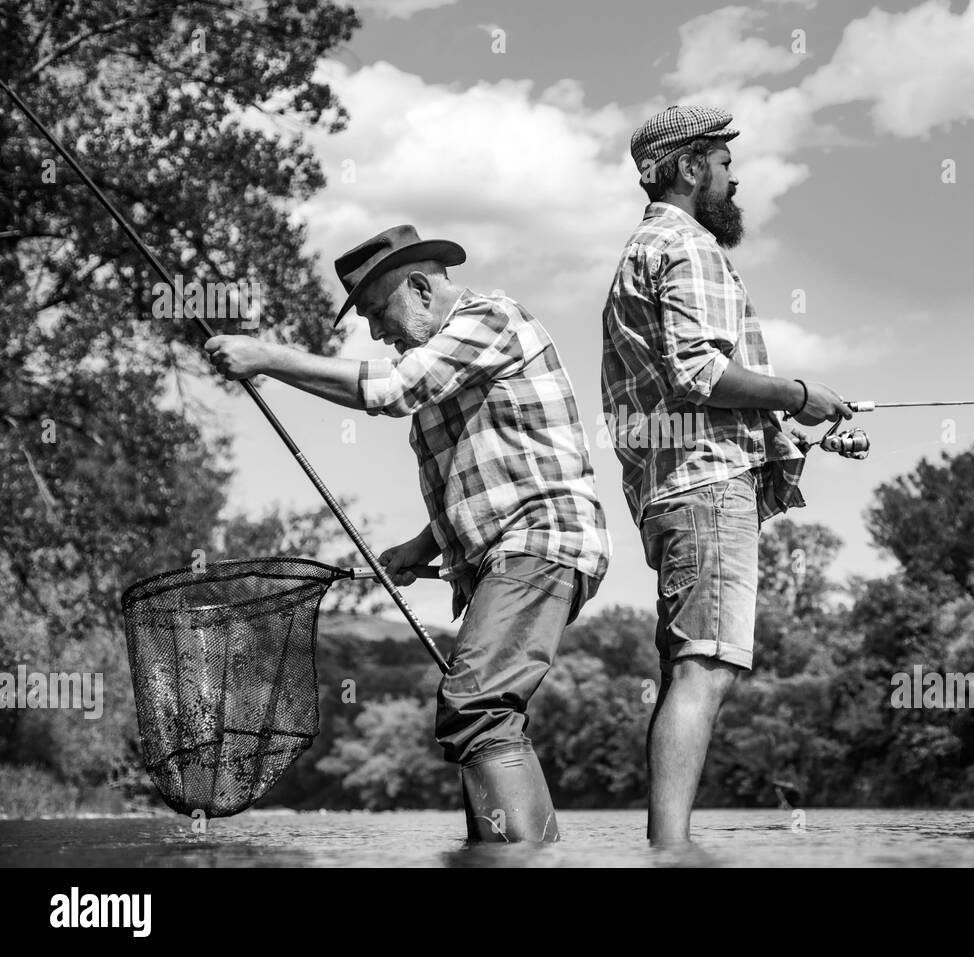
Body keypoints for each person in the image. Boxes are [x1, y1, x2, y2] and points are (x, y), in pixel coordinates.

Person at [205, 224, 610, 843]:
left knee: (475, 704)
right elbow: (489, 470)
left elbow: (392, 392)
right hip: (510, 552)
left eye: (376, 312)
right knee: (483, 713)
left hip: (541, 541)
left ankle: (520, 860)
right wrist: (422, 547)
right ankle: (512, 852)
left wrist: (268, 358)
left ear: (420, 287)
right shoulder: (448, 358)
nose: (375, 332)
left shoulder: (490, 319)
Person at [602, 106, 854, 844]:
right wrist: (799, 393)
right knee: (703, 668)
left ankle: (666, 845)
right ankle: (671, 849)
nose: (733, 176)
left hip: (674, 489)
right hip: (706, 488)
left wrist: (794, 426)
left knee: (691, 662)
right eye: (723, 161)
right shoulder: (688, 246)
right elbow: (700, 371)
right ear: (689, 167)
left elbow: (682, 388)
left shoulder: (639, 251)